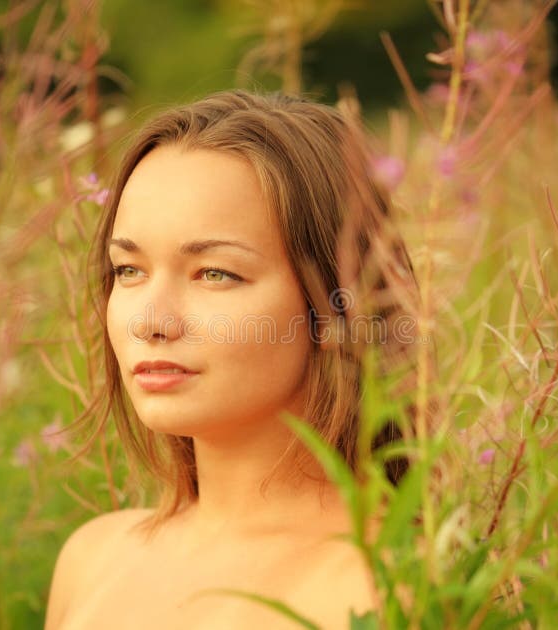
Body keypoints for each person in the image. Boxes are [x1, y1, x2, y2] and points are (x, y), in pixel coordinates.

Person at [44, 90, 422, 629]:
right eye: (129, 270)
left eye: (215, 274)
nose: (150, 321)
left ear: (340, 301)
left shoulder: (389, 586)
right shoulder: (92, 561)